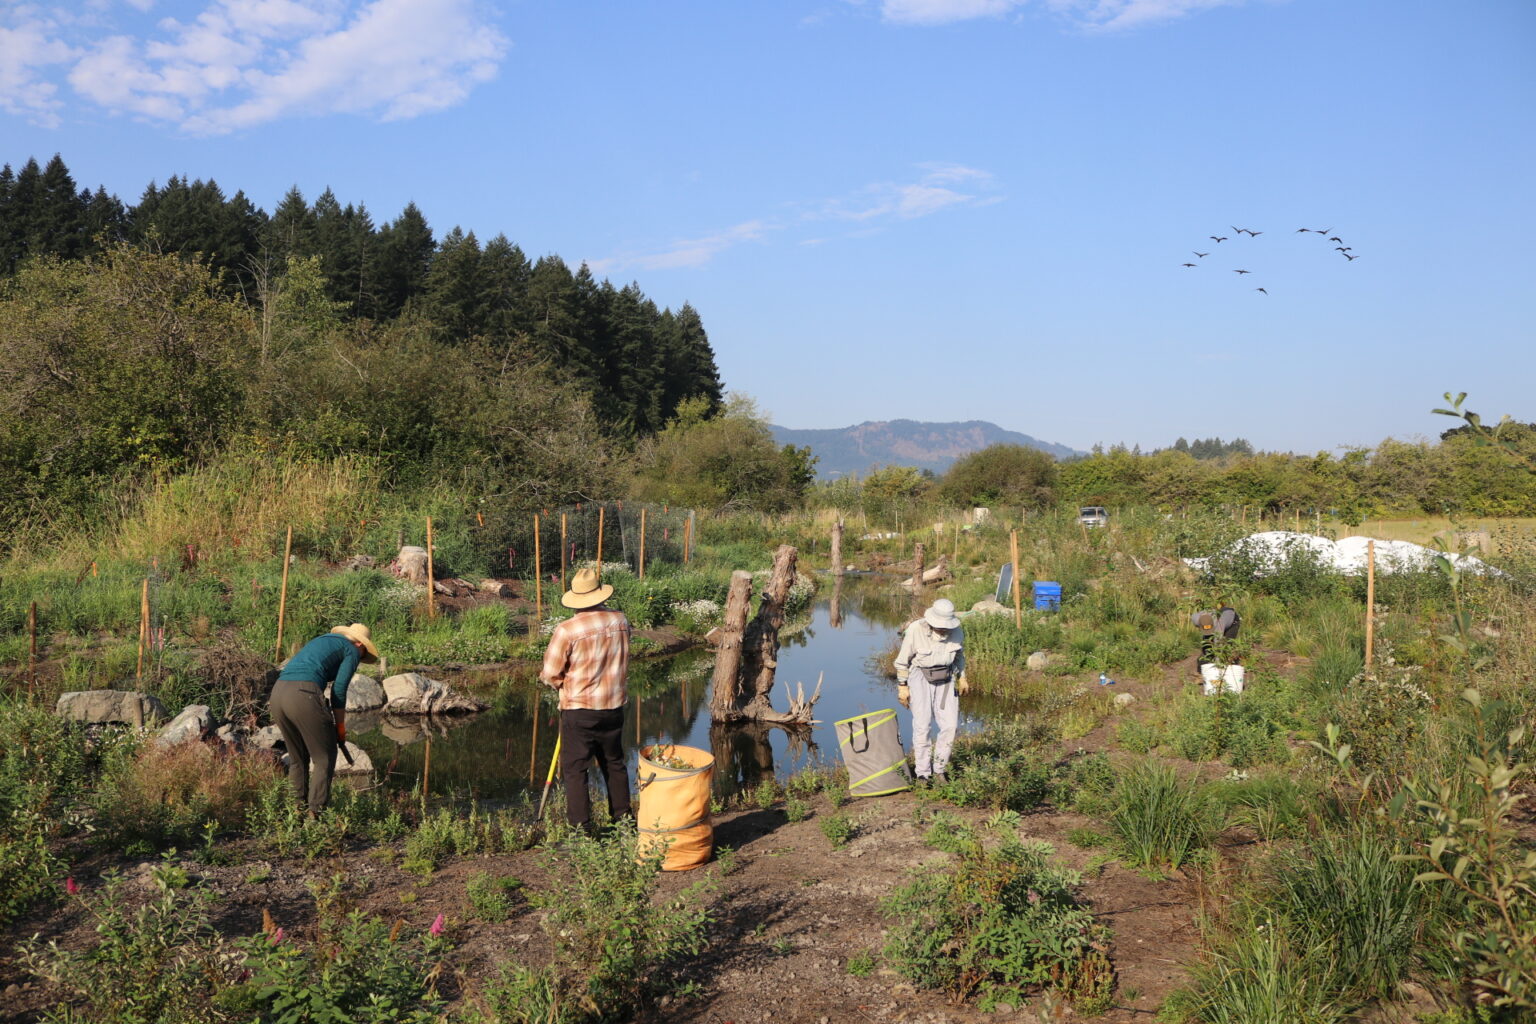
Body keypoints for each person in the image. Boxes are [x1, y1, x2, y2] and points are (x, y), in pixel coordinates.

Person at [541, 567, 633, 833]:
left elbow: (550, 674)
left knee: (575, 769)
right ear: (600, 594)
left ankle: (581, 829)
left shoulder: (567, 629)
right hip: (614, 706)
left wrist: (561, 685)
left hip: (579, 709)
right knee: (614, 763)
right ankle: (623, 821)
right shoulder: (621, 620)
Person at [269, 623, 378, 818]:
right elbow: (339, 690)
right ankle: (315, 814)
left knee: (297, 758)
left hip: (277, 694)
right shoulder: (352, 650)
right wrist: (341, 727)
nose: (360, 659)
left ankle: (296, 811)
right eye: (363, 654)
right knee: (324, 758)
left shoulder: (323, 640)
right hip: (303, 695)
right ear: (360, 644)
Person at [894, 598, 968, 786]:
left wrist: (963, 677)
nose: (943, 629)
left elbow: (959, 656)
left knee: (950, 726)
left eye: (946, 626)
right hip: (920, 677)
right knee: (922, 725)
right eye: (939, 626)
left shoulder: (957, 631)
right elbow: (902, 661)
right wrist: (902, 686)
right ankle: (923, 774)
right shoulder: (915, 630)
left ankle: (940, 770)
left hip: (946, 678)